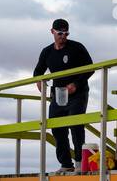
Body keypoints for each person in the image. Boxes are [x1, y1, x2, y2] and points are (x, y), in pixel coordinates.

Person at [33, 19, 94, 173]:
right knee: (57, 128)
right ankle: (66, 163)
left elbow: (90, 68)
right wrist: (40, 82)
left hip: (77, 93)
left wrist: (76, 84)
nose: (63, 36)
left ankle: (80, 162)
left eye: (66, 33)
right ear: (52, 32)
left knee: (76, 125)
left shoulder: (77, 47)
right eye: (60, 33)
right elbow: (38, 71)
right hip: (59, 94)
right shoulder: (47, 51)